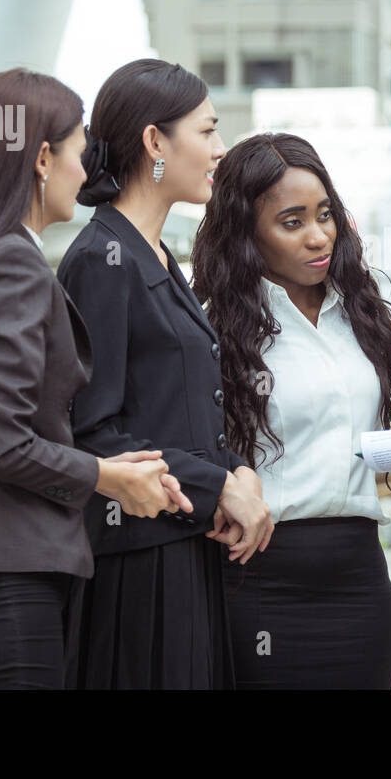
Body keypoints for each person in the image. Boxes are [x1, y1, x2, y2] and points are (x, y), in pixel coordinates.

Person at [0, 68, 188, 689]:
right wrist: (106, 476)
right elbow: (2, 441)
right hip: (6, 572)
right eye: (80, 153)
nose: (86, 174)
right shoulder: (11, 261)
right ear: (41, 158)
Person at [58, 60, 273, 689]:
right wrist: (218, 489)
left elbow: (172, 411)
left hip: (183, 546)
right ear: (156, 142)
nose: (219, 148)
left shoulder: (154, 255)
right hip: (139, 568)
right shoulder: (102, 260)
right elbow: (93, 431)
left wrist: (238, 472)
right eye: (206, 131)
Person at [191, 133, 391, 689]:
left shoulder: (361, 317)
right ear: (247, 234)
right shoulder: (213, 330)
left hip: (361, 581)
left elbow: (347, 434)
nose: (319, 236)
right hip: (262, 583)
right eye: (292, 222)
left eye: (325, 215)